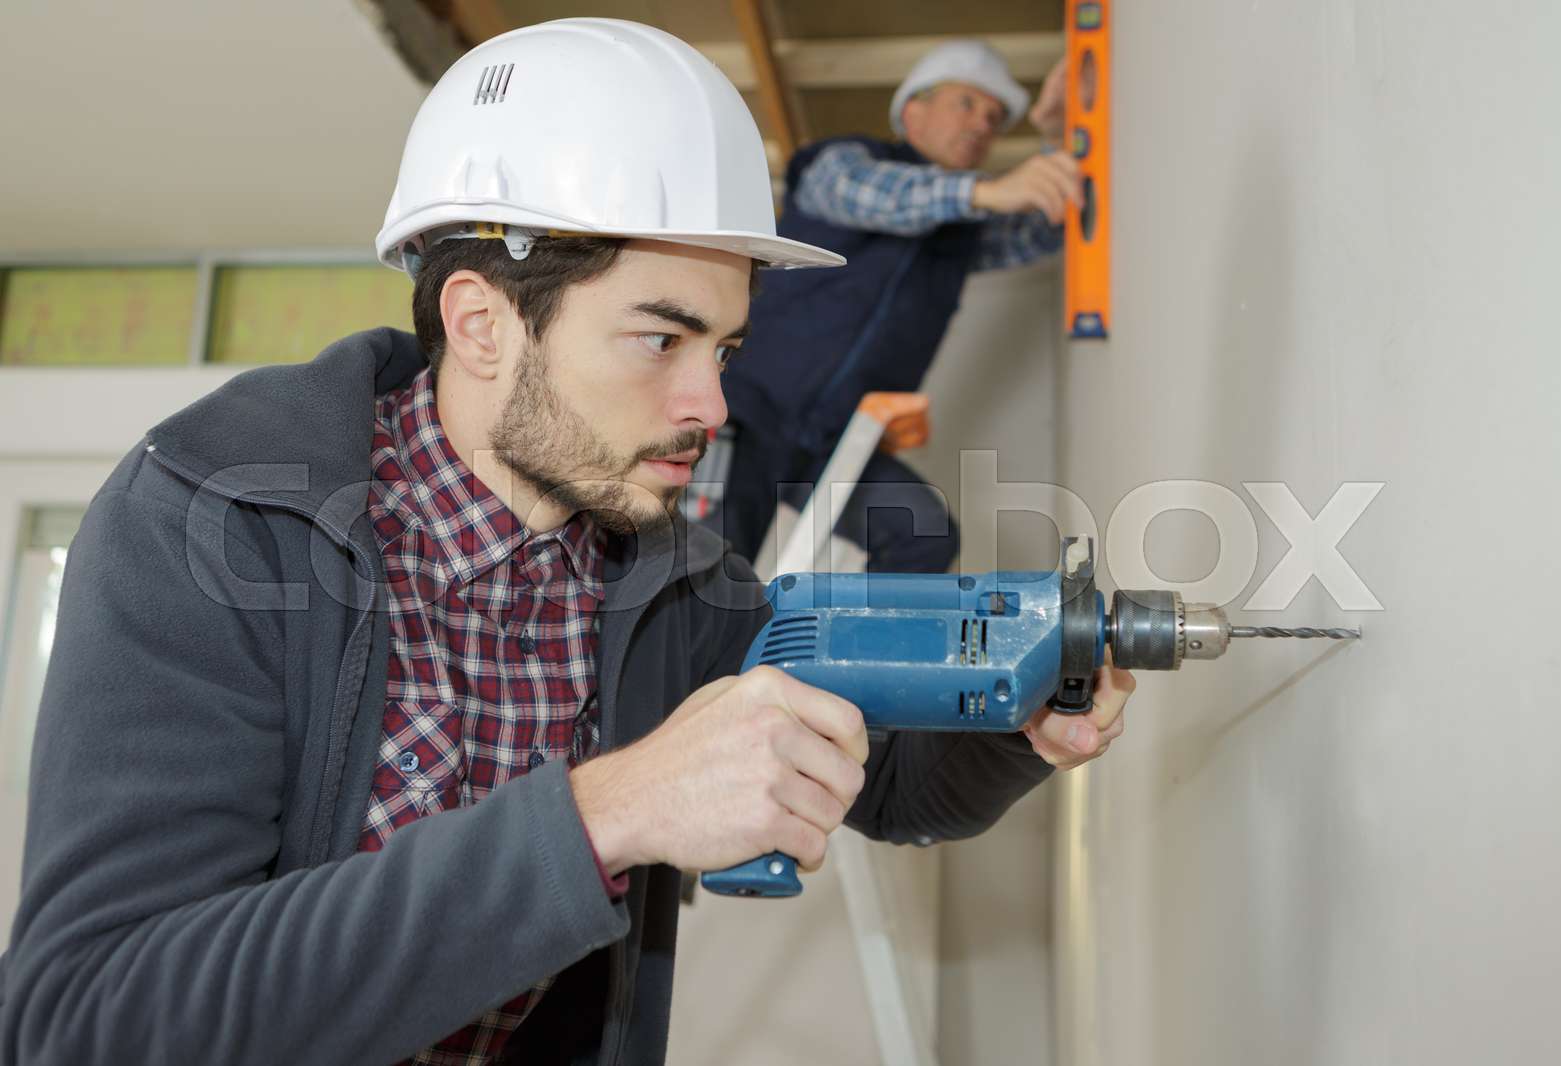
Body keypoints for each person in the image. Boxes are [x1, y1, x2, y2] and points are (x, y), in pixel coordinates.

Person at [0, 20, 1131, 1066]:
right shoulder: (215, 530)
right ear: (482, 324)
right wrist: (610, 811)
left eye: (725, 352)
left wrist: (1023, 709)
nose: (710, 406)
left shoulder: (678, 584)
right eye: (659, 340)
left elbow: (890, 782)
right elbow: (90, 1019)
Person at [712, 40, 1082, 574]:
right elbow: (879, 194)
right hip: (748, 413)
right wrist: (985, 193)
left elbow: (1045, 225)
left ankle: (850, 636)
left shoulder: (961, 233)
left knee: (923, 534)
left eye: (995, 118)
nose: (983, 125)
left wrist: (1058, 136)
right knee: (710, 569)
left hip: (836, 441)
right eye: (967, 104)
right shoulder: (837, 163)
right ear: (912, 111)